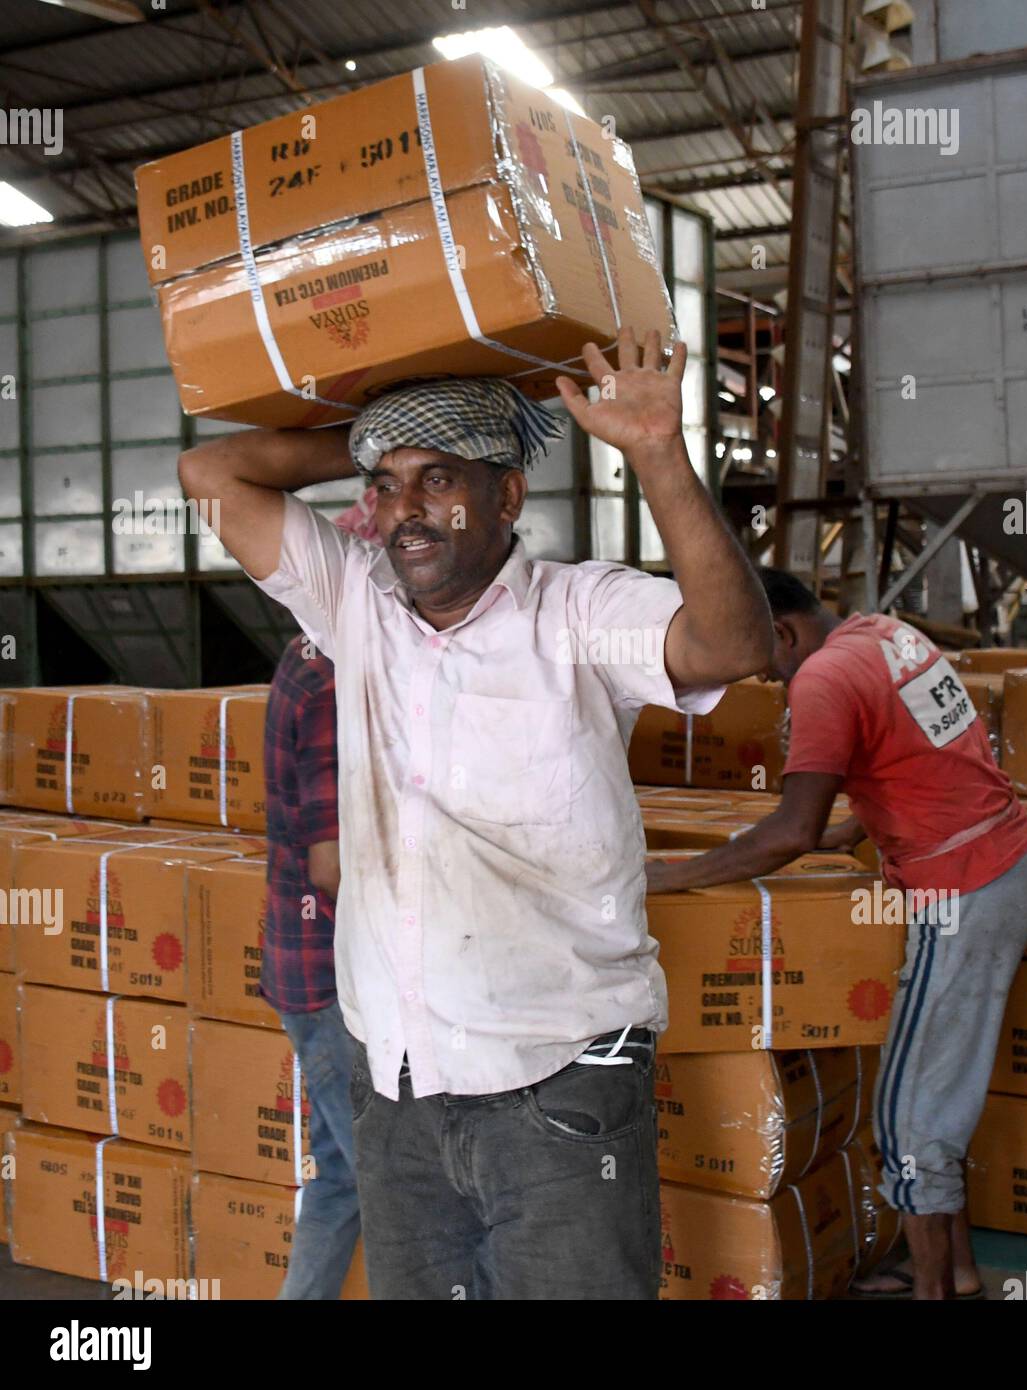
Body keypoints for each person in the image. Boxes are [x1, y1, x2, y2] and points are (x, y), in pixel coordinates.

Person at [179, 328, 771, 1300]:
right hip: (400, 1087)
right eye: (387, 486)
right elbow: (212, 468)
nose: (405, 511)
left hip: (559, 1084)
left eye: (440, 477)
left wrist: (656, 451)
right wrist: (399, 428)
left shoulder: (575, 613)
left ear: (508, 493)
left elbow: (730, 643)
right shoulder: (356, 608)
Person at [645, 568, 1027, 1301]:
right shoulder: (884, 634)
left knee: (909, 1118)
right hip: (1006, 859)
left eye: (758, 657)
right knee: (934, 1091)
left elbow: (788, 829)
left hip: (960, 890)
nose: (762, 677)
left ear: (784, 631)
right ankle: (952, 1272)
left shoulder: (821, 679)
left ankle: (938, 1295)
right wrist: (851, 830)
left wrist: (677, 877)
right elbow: (924, 758)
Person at [261, 489, 380, 1300]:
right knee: (399, 1186)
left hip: (302, 968)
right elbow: (333, 865)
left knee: (342, 1174)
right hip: (334, 979)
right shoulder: (338, 678)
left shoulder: (308, 653)